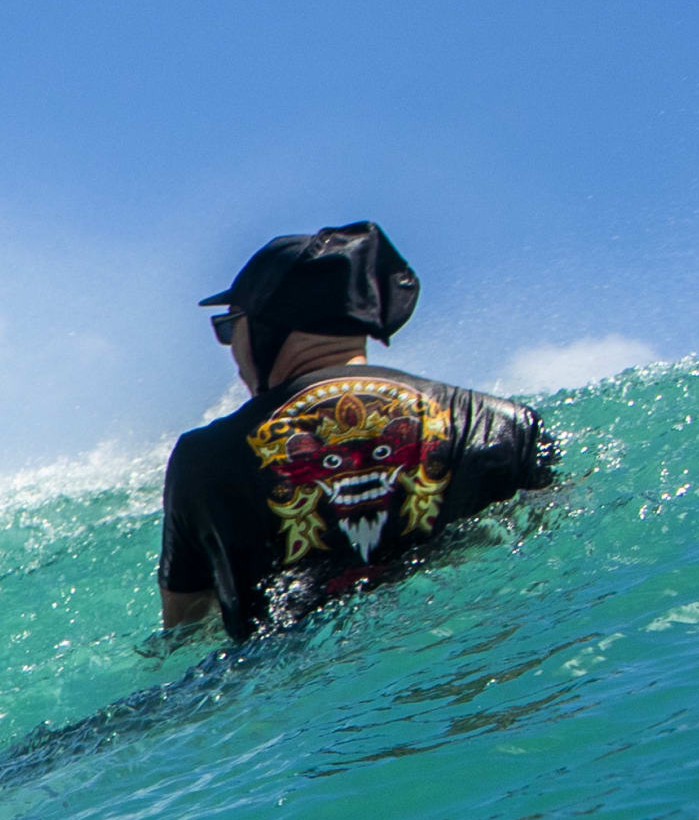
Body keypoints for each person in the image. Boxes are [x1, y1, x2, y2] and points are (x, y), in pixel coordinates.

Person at [157, 222, 561, 643]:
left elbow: (183, 633)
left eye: (228, 327)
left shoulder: (204, 456)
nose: (232, 351)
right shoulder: (504, 424)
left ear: (265, 323)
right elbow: (553, 562)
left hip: (307, 692)